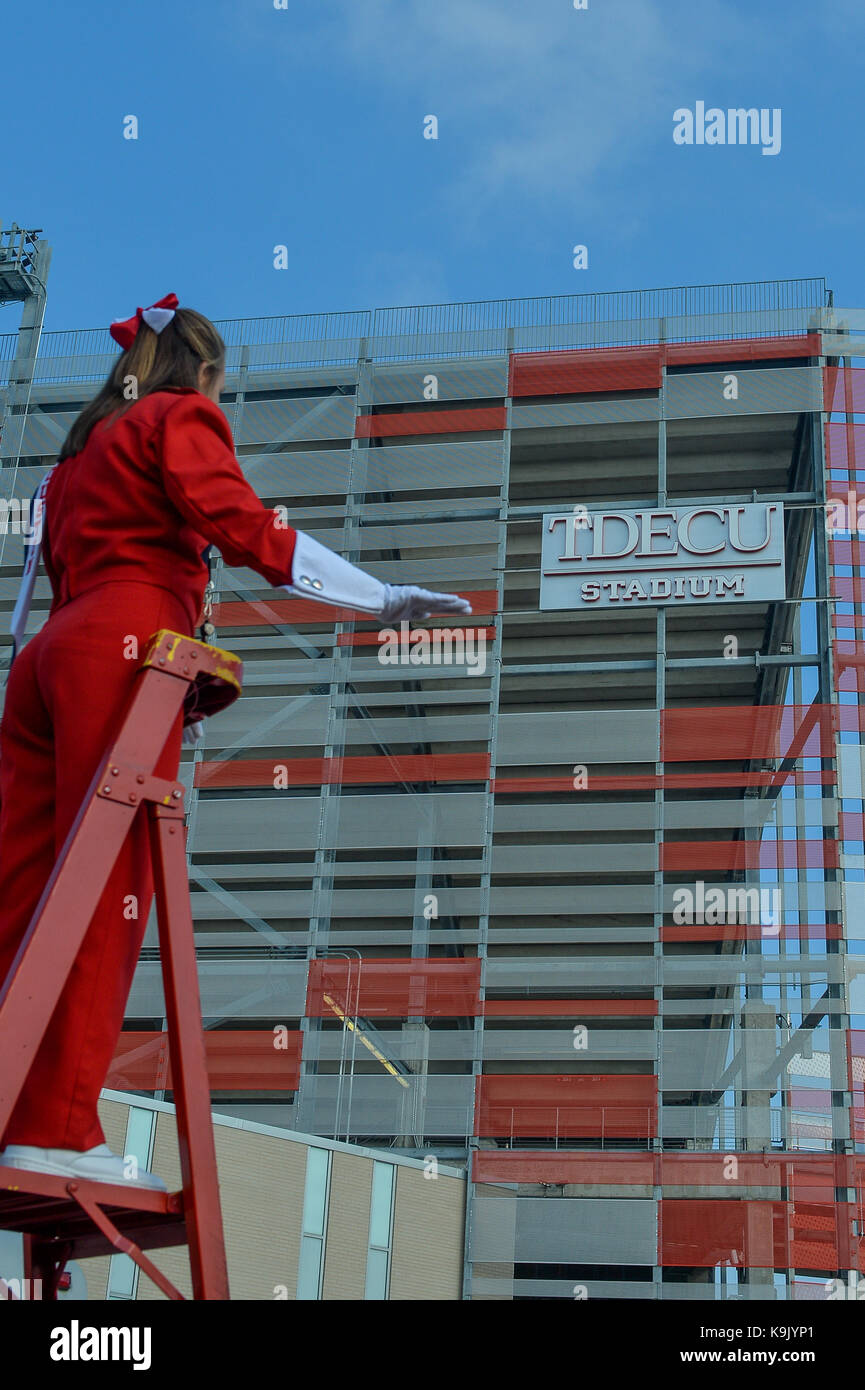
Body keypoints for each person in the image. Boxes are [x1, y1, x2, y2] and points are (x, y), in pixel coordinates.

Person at [0, 293, 470, 1189]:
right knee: (112, 888)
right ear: (204, 371)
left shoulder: (71, 458)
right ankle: (58, 1125)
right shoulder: (180, 415)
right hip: (128, 642)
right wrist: (377, 597)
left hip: (46, 659)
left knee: (22, 893)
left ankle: (13, 1106)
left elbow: (44, 580)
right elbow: (248, 527)